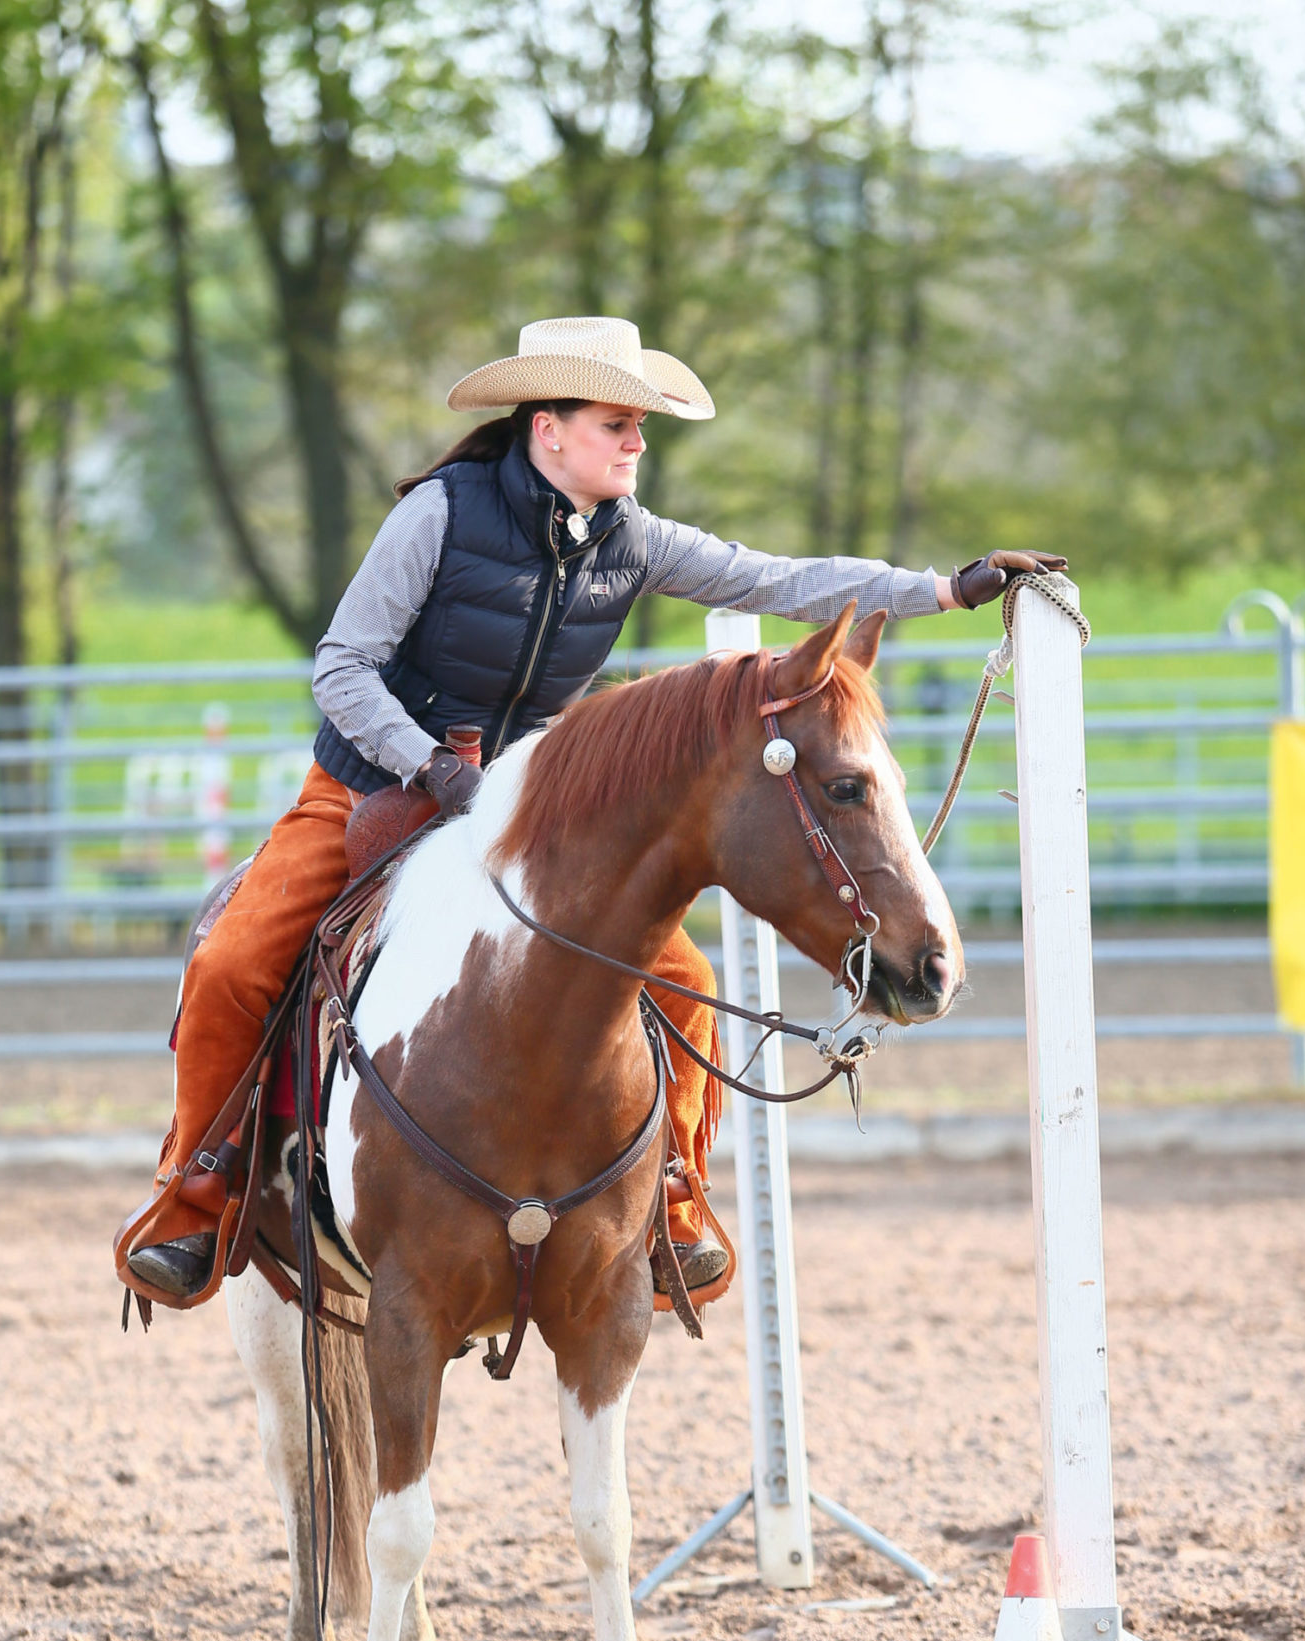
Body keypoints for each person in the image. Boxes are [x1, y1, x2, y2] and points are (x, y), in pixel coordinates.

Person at [121, 316, 1063, 1304]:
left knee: (686, 981)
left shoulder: (633, 538)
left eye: (638, 426)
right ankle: (198, 1195)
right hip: (364, 786)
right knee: (233, 961)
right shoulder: (436, 516)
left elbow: (779, 579)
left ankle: (671, 1197)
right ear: (547, 428)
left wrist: (943, 590)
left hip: (526, 813)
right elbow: (341, 665)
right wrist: (424, 766)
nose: (635, 444)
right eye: (617, 422)